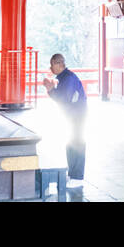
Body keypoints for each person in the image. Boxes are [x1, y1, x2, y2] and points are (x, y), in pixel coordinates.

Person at [42, 53, 87, 187]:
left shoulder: (68, 78)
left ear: (59, 63)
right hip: (72, 115)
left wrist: (51, 90)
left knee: (77, 144)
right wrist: (52, 90)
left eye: (52, 64)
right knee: (71, 144)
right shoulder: (64, 77)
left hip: (77, 115)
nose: (50, 68)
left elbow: (64, 99)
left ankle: (78, 178)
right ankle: (72, 174)